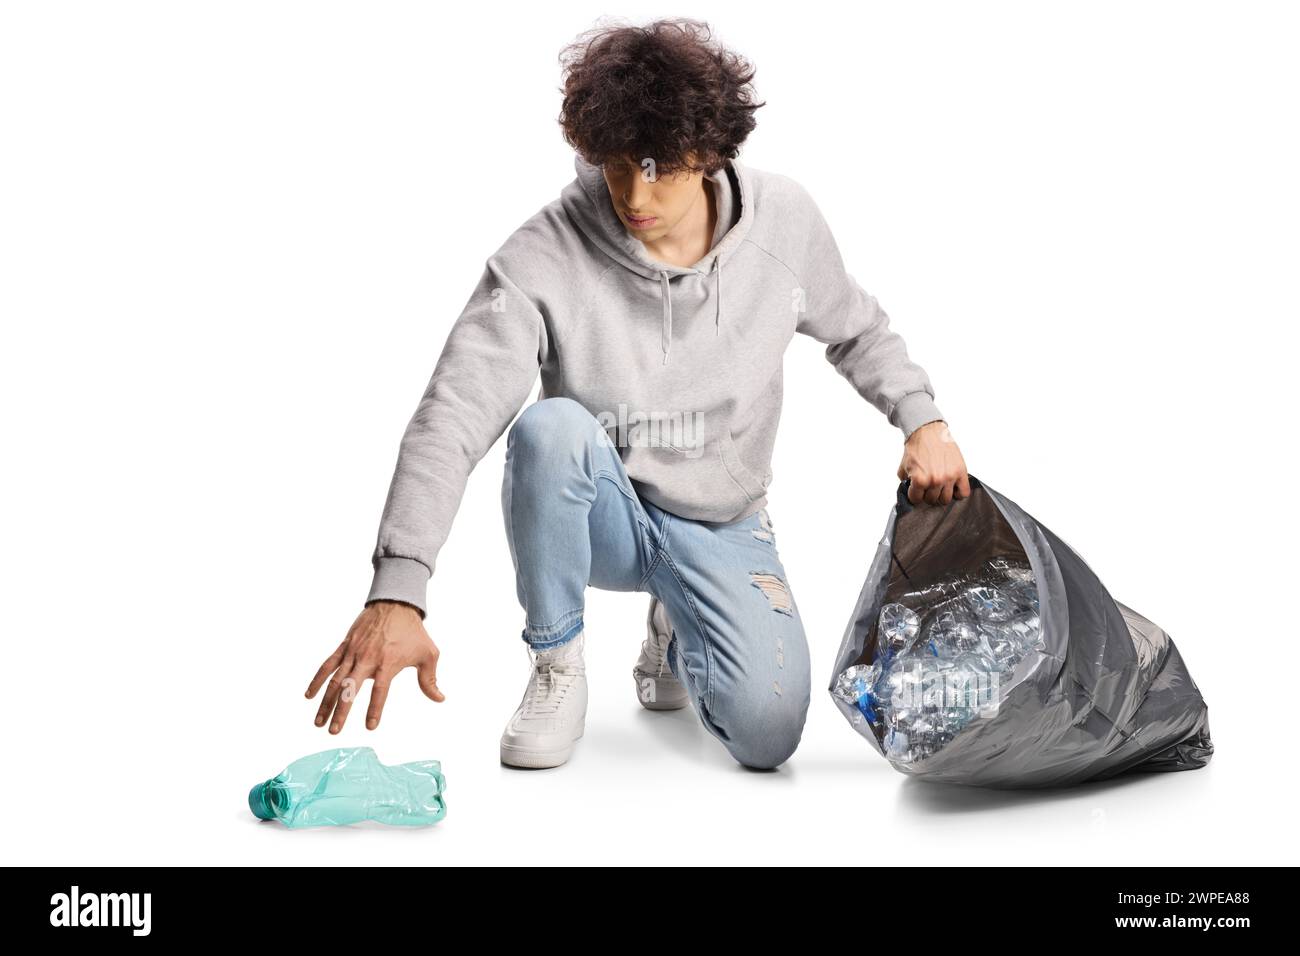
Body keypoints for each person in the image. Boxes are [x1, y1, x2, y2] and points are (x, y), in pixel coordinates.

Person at [305, 18, 970, 770]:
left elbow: (859, 330)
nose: (632, 192)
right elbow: (452, 413)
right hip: (598, 512)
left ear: (710, 152)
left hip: (722, 521)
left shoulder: (783, 223)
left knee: (767, 735)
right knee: (548, 430)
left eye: (658, 166)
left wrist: (924, 419)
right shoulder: (543, 254)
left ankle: (674, 624)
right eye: (615, 164)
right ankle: (558, 667)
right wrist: (399, 589)